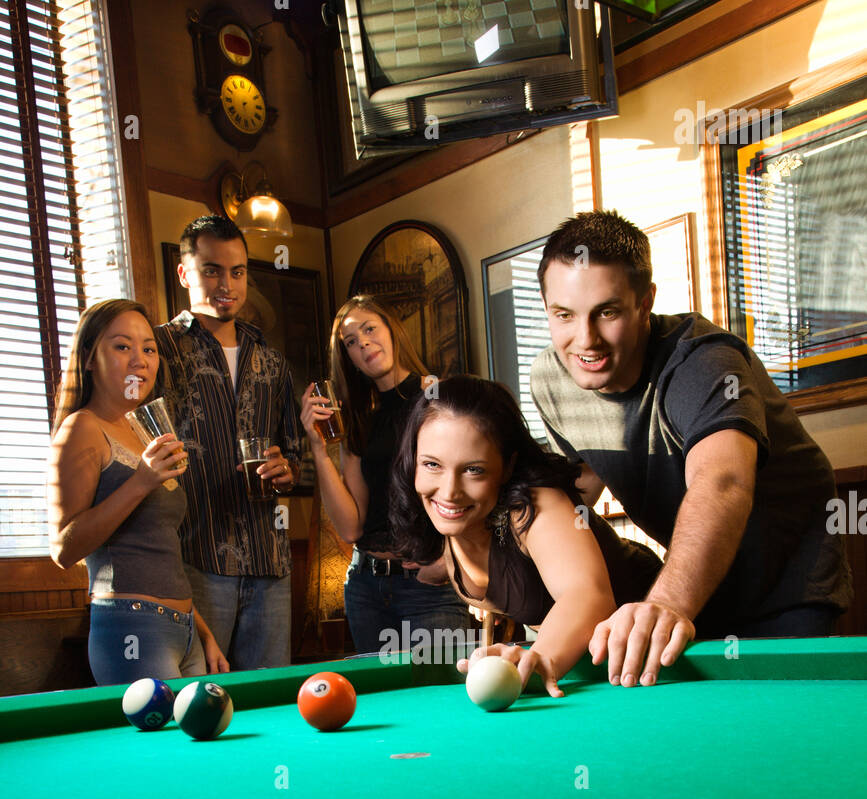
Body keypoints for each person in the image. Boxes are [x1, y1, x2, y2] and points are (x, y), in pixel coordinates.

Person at [529, 210, 852, 688]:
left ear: (645, 303)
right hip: (701, 586)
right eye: (564, 315)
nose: (585, 340)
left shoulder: (704, 362)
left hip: (787, 584)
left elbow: (722, 480)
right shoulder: (551, 379)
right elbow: (581, 488)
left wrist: (667, 603)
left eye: (608, 312)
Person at [389, 375, 661, 696]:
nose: (449, 492)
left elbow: (587, 595)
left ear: (506, 466)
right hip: (602, 661)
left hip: (668, 633)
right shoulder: (444, 529)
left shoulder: (533, 503)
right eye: (432, 464)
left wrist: (542, 655)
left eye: (473, 469)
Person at [47, 299, 227, 685]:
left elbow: (161, 550)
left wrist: (204, 633)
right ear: (90, 358)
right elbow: (64, 549)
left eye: (148, 348)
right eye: (122, 346)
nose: (139, 360)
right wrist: (142, 481)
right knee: (165, 747)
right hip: (131, 627)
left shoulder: (146, 429)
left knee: (205, 745)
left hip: (185, 629)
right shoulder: (82, 428)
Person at [156, 215, 300, 671]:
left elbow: (295, 453)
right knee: (203, 703)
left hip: (270, 562)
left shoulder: (272, 360)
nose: (227, 284)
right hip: (195, 559)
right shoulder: (157, 350)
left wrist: (287, 470)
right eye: (211, 270)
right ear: (184, 274)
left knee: (270, 706)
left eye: (237, 271)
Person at [299, 294, 476, 656]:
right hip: (366, 588)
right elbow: (351, 527)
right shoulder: (359, 417)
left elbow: (474, 482)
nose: (362, 343)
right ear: (347, 356)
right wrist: (318, 449)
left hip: (429, 588)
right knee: (385, 704)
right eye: (351, 341)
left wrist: (452, 558)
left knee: (442, 703)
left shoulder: (434, 394)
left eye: (369, 329)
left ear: (391, 331)